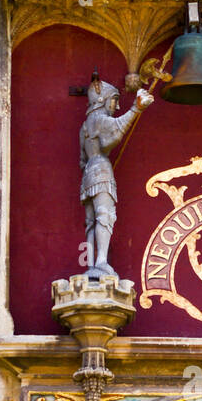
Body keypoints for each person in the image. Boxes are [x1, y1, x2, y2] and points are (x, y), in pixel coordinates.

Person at [79, 74, 153, 278]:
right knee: (105, 216)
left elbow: (82, 160)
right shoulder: (101, 120)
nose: (116, 106)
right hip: (102, 170)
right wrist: (136, 108)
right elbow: (117, 129)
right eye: (114, 100)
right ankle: (101, 262)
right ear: (102, 100)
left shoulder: (85, 126)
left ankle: (92, 264)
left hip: (88, 175)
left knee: (91, 221)